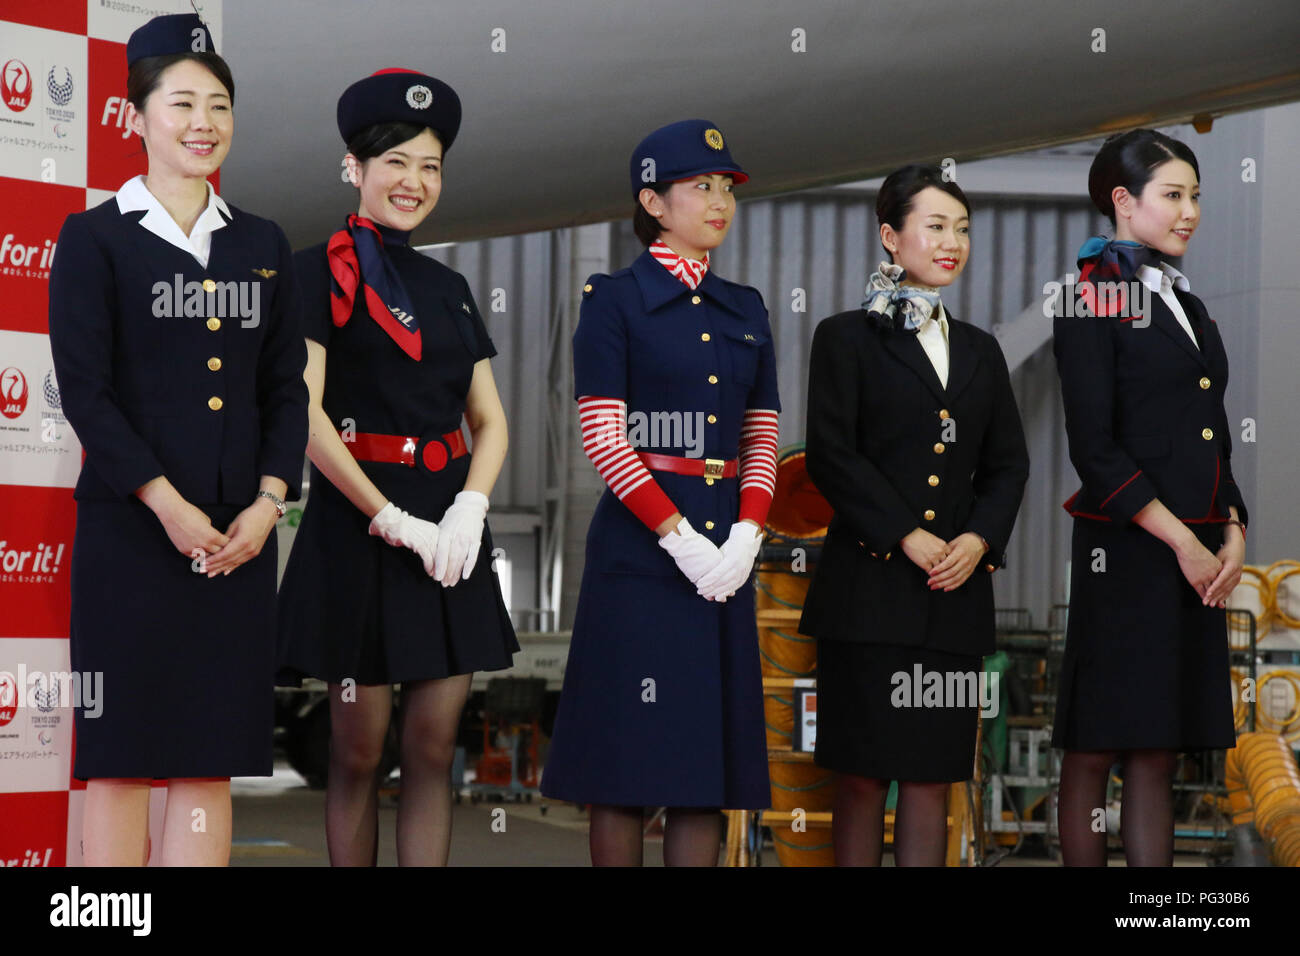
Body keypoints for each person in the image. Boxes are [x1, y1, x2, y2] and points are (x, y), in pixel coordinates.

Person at [47, 13, 308, 866]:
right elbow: (85, 392)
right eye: (184, 102)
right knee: (120, 759)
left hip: (237, 540)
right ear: (136, 117)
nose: (205, 122)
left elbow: (283, 390)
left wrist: (270, 506)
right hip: (131, 534)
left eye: (220, 104)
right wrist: (163, 502)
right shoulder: (94, 239)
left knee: (210, 760)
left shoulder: (262, 243)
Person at [276, 69, 517, 866]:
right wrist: (386, 514)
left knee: (431, 748)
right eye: (397, 162)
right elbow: (304, 414)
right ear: (355, 167)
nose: (415, 182)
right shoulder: (312, 272)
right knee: (355, 751)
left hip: (446, 536)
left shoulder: (449, 288)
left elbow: (489, 420)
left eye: (431, 166)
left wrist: (470, 510)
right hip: (359, 525)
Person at [539, 119, 781, 866]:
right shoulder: (613, 299)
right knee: (624, 768)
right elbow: (606, 440)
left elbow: (762, 434)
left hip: (726, 555)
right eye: (699, 187)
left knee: (702, 772)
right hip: (642, 556)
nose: (719, 202)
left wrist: (748, 534)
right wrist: (678, 538)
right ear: (652, 200)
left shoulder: (747, 308)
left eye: (726, 188)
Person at [799, 164, 1029, 866]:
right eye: (935, 226)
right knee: (863, 775)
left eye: (961, 228)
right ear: (891, 237)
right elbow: (833, 458)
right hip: (866, 597)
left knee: (934, 779)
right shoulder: (845, 339)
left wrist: (978, 539)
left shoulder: (984, 352)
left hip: (954, 598)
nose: (952, 241)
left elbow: (1008, 465)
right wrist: (908, 533)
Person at [1052, 129, 1247, 866]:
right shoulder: (1090, 298)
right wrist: (1186, 542)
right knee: (1098, 745)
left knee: (1157, 751)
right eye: (1173, 195)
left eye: (1196, 195)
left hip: (1196, 551)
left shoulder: (1189, 305)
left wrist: (1230, 525)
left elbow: (1211, 432)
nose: (1190, 211)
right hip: (1128, 547)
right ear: (1123, 202)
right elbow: (1094, 448)